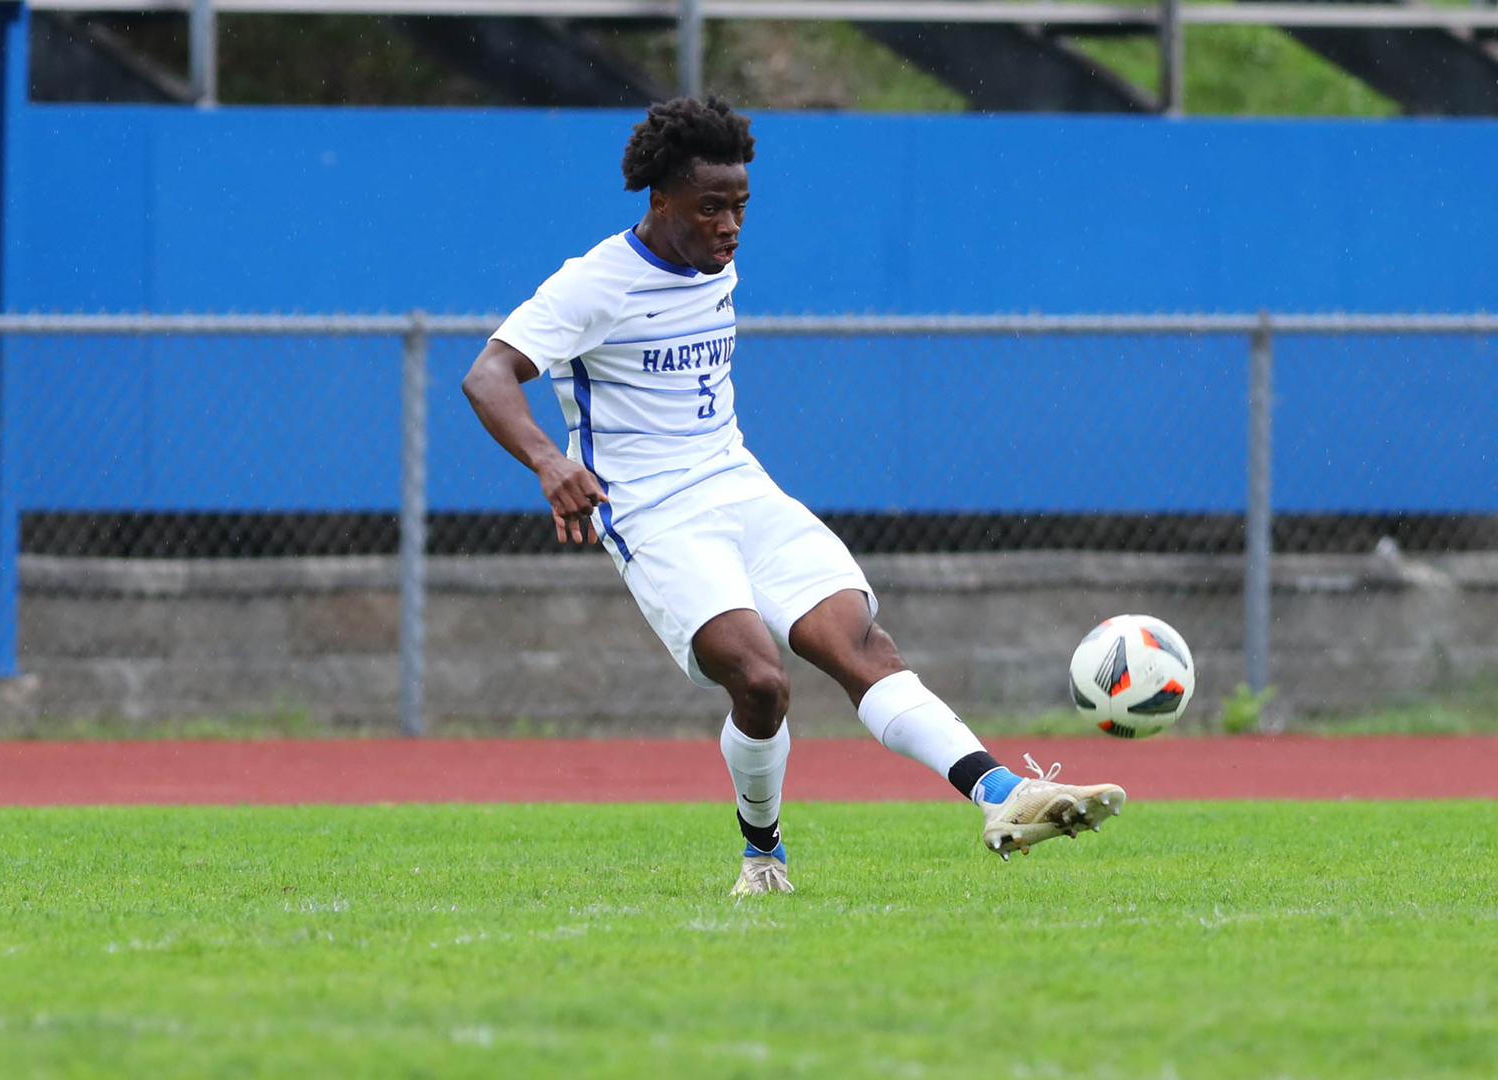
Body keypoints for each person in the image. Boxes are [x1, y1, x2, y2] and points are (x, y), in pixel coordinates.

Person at [462, 96, 1126, 896]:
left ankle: (1002, 794)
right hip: (653, 513)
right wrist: (546, 460)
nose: (729, 225)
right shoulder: (593, 285)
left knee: (861, 646)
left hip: (739, 485)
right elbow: (487, 374)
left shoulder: (713, 261)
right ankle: (762, 855)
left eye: (740, 205)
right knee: (761, 680)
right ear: (659, 199)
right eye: (710, 207)